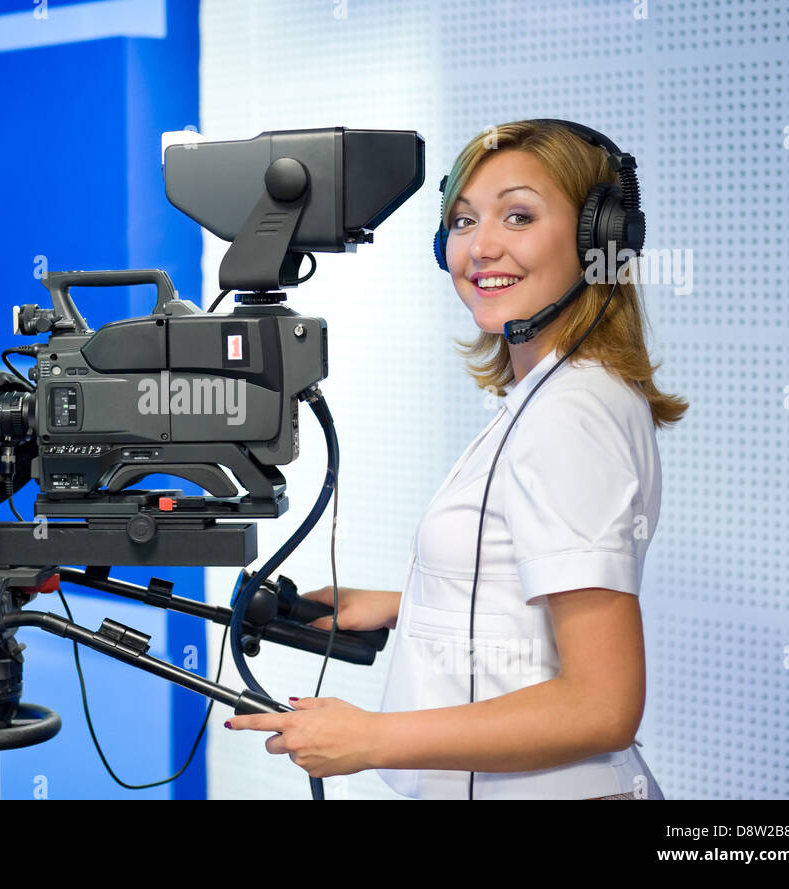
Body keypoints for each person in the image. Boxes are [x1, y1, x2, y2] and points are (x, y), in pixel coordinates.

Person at [226, 119, 688, 799]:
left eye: (519, 215)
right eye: (464, 221)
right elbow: (531, 587)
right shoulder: (561, 392)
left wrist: (370, 737)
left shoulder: (569, 416)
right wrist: (403, 604)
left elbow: (603, 705)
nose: (481, 247)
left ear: (600, 241)